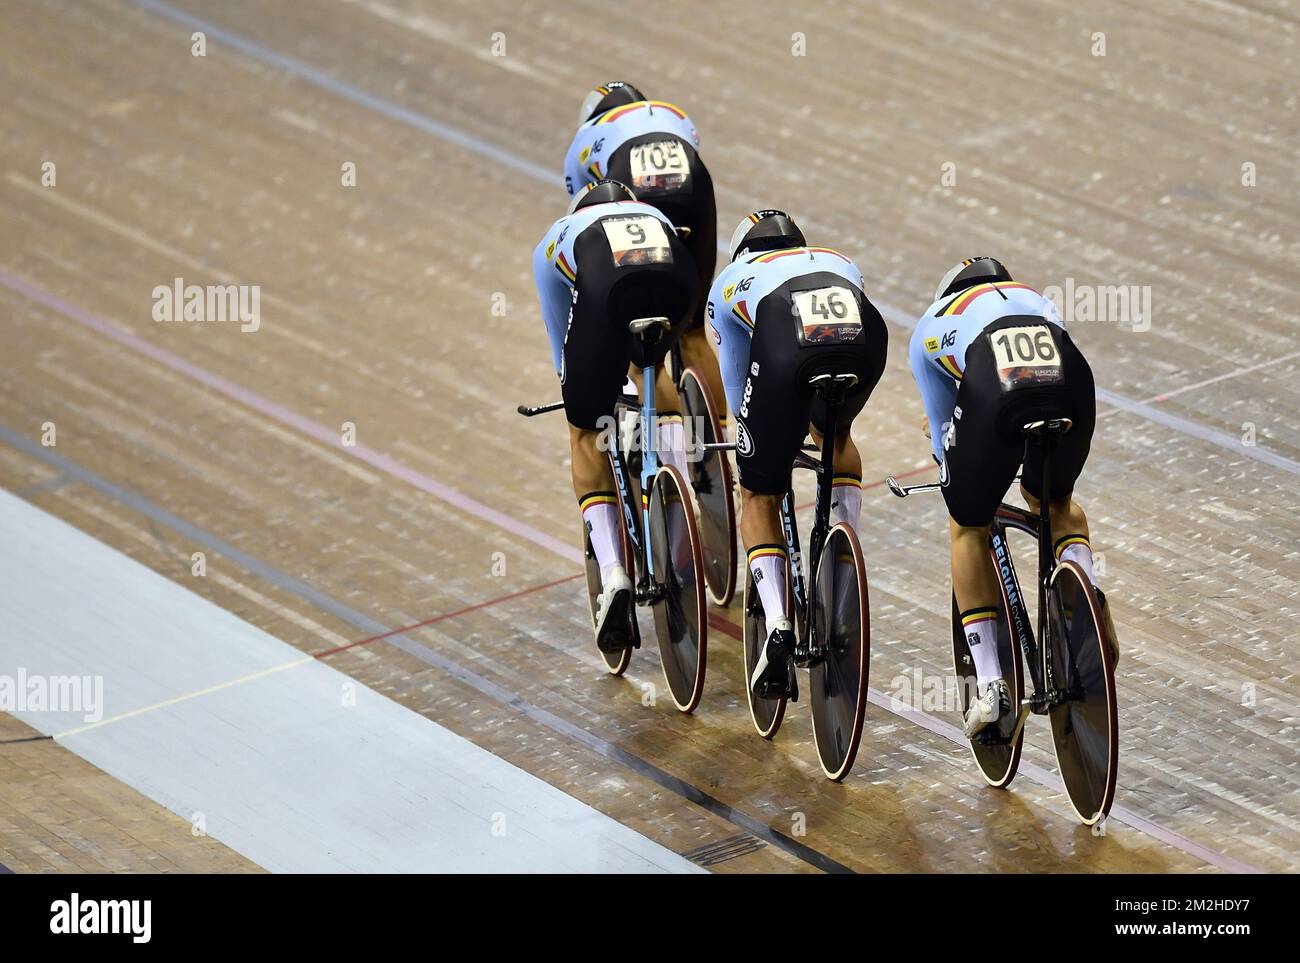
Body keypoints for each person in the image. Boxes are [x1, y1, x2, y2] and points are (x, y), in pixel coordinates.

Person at [907, 256, 1114, 738]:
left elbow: (945, 441)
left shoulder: (931, 327)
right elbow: (1038, 382)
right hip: (1072, 389)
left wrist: (950, 447)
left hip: (994, 396)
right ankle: (1088, 598)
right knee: (1053, 501)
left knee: (967, 524)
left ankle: (992, 684)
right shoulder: (1035, 299)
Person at [707, 210, 888, 698]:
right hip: (865, 345)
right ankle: (843, 544)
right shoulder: (837, 259)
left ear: (743, 252)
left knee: (758, 491)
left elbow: (736, 384)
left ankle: (778, 622)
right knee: (836, 437)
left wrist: (756, 447)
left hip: (787, 346)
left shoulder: (728, 284)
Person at [532, 179, 699, 652]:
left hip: (607, 289)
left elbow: (563, 350)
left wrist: (584, 393)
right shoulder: (654, 217)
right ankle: (679, 500)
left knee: (584, 431)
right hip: (675, 283)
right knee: (653, 371)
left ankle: (614, 577)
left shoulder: (557, 237)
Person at [565, 82, 726, 425]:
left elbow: (585, 220)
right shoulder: (674, 113)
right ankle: (720, 448)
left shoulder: (585, 137)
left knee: (642, 348)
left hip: (632, 187)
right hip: (694, 189)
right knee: (694, 328)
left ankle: (659, 414)